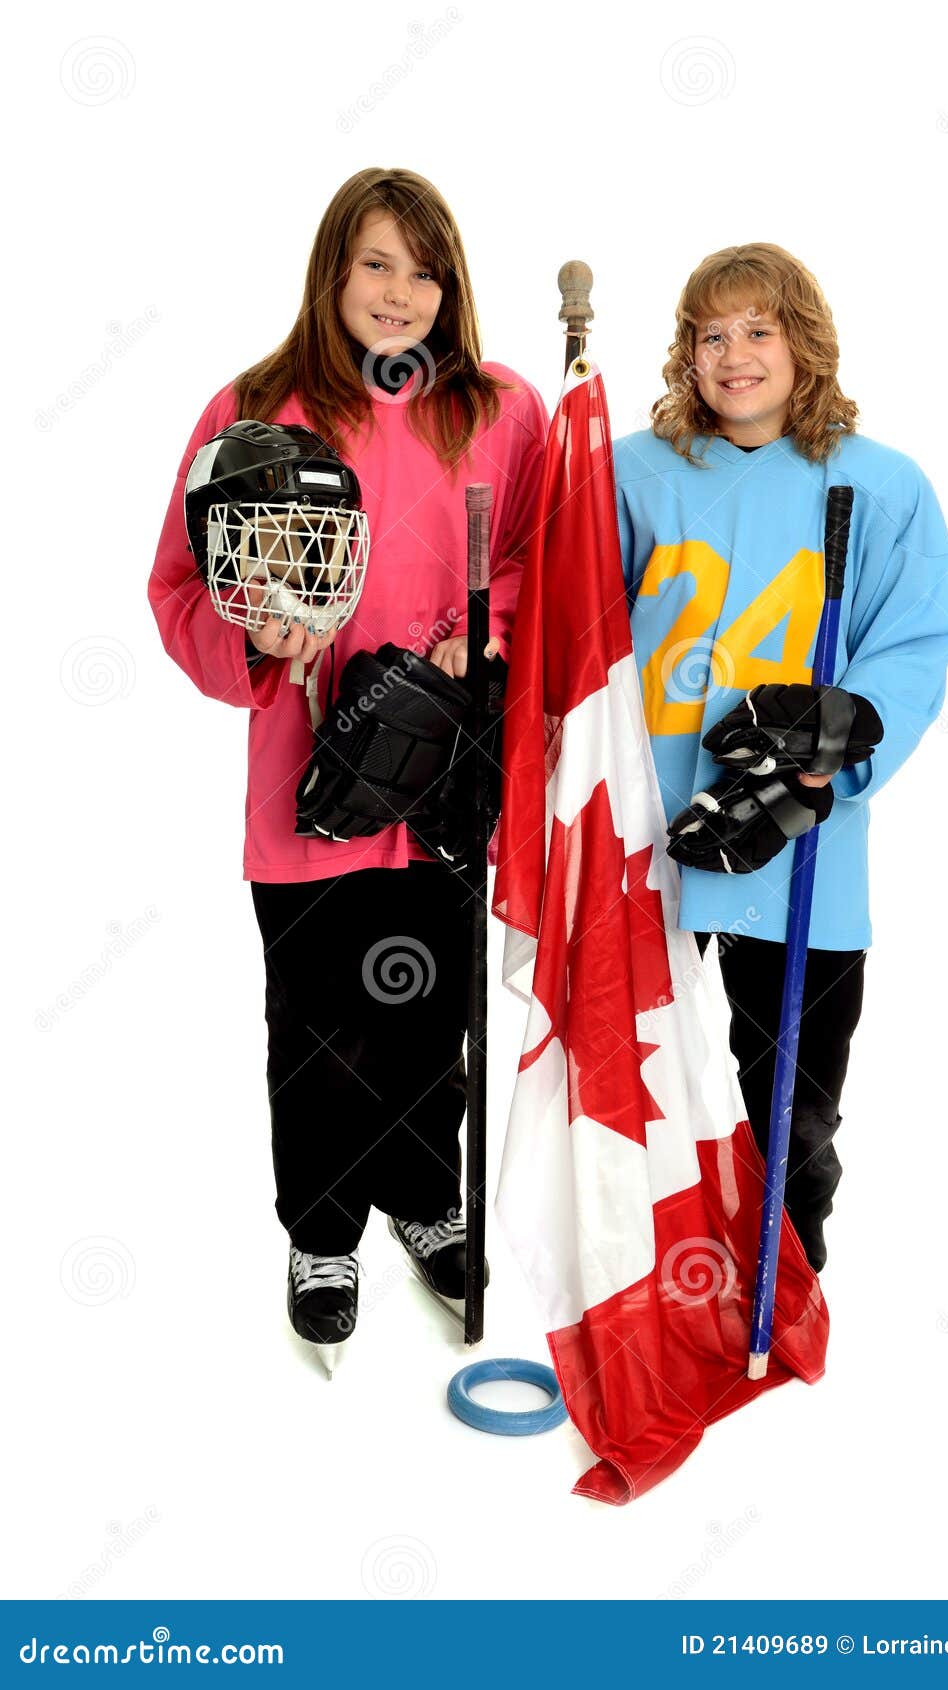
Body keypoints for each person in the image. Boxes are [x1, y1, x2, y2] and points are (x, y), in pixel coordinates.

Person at [148, 167, 547, 1351]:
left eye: (424, 272)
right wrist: (255, 637)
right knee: (320, 1029)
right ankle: (322, 1228)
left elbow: (536, 555)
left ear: (450, 288)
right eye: (376, 263)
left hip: (445, 771)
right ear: (333, 269)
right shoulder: (250, 408)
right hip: (306, 778)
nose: (399, 293)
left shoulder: (501, 410)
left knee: (427, 1018)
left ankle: (425, 1198)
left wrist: (486, 630)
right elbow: (177, 587)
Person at [613, 242, 948, 1271]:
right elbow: (575, 626)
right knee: (632, 1086)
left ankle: (782, 1272)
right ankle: (645, 1276)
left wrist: (841, 736)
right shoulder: (632, 472)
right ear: (685, 353)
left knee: (793, 1098)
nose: (734, 355)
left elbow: (913, 639)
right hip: (646, 822)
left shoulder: (880, 484)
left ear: (802, 341)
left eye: (757, 330)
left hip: (802, 832)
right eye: (710, 335)